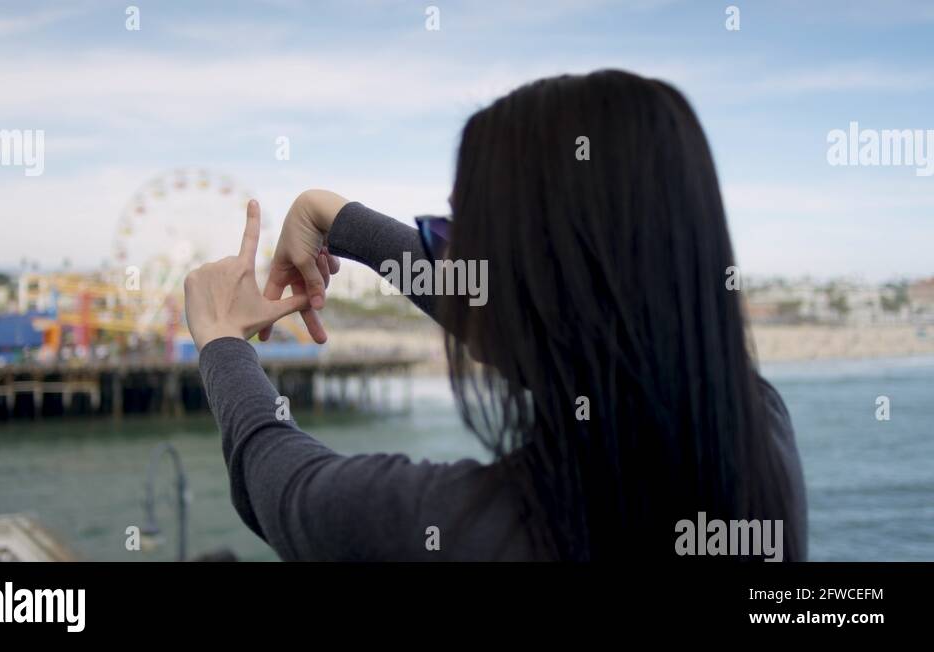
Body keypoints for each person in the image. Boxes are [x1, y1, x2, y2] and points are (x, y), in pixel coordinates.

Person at [183, 69, 808, 561]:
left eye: (462, 232)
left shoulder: (455, 532)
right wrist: (332, 216)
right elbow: (540, 306)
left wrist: (219, 340)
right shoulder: (763, 440)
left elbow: (281, 484)